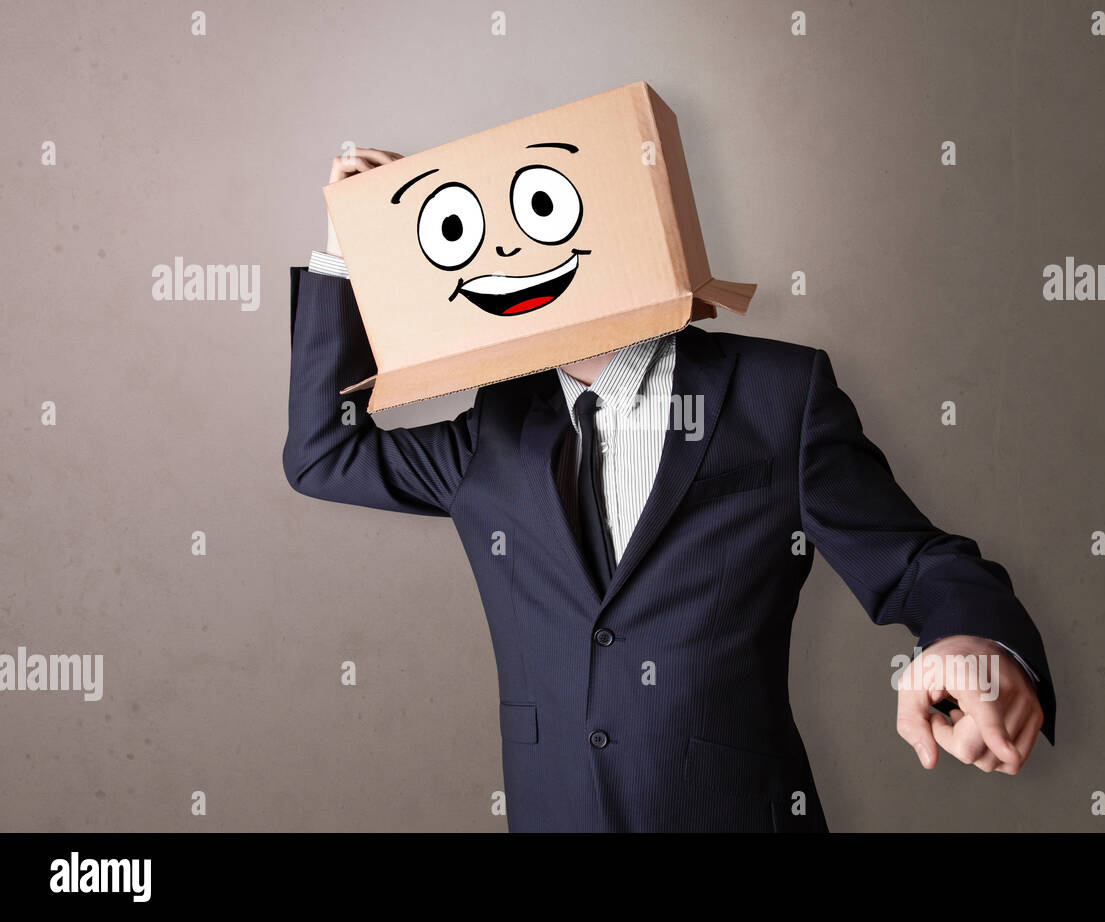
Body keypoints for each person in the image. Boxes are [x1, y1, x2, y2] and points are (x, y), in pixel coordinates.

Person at [283, 148, 1057, 832]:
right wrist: (349, 258)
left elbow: (919, 562)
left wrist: (968, 642)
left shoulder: (776, 396)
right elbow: (323, 454)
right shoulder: (494, 430)